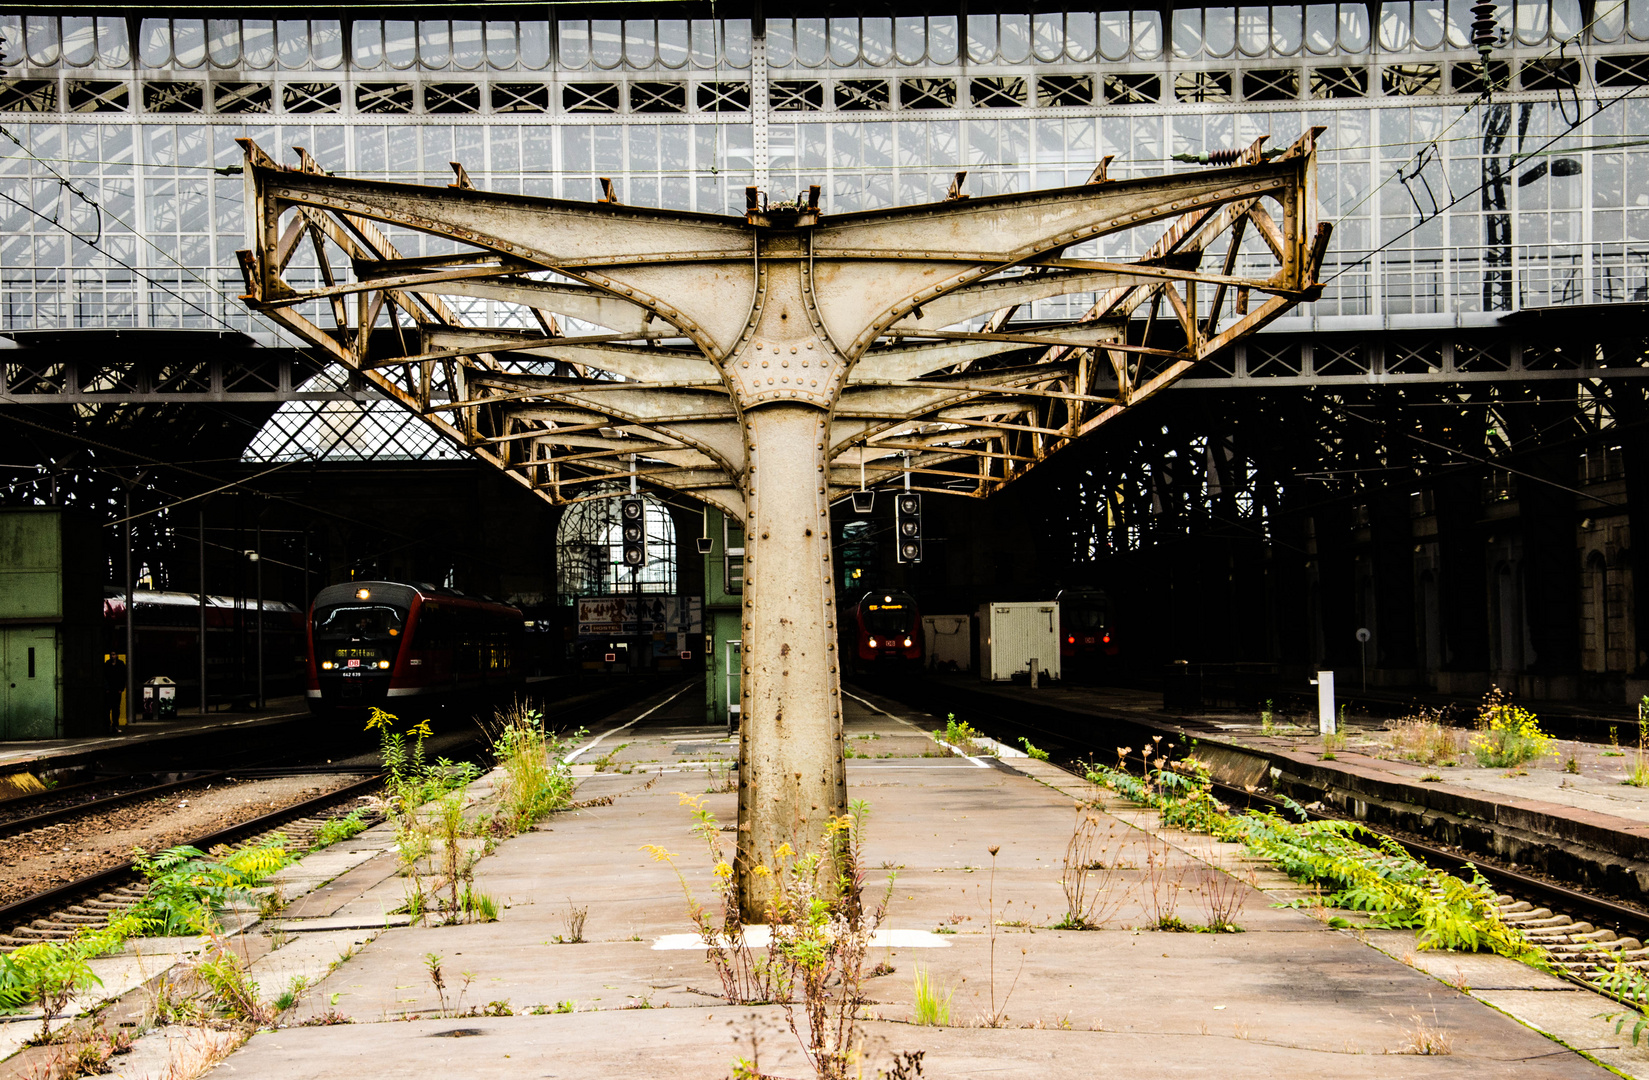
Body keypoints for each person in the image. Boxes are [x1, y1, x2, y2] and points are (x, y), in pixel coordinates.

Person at [103, 653, 127, 735]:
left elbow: (123, 677)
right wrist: (107, 688)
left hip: (116, 690)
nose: (112, 656)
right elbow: (105, 677)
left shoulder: (120, 664)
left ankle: (114, 726)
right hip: (110, 690)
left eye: (114, 654)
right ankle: (108, 725)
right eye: (112, 654)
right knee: (108, 708)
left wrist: (121, 688)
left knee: (115, 709)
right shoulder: (108, 664)